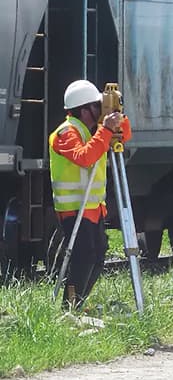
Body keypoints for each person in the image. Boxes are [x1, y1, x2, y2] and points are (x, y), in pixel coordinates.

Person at [49, 79, 132, 309]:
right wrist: (105, 129)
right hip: (74, 209)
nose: (100, 110)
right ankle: (70, 306)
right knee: (82, 257)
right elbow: (84, 157)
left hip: (94, 208)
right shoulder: (66, 133)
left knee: (97, 256)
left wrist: (117, 115)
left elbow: (124, 136)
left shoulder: (93, 131)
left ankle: (78, 302)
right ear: (83, 109)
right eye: (97, 106)